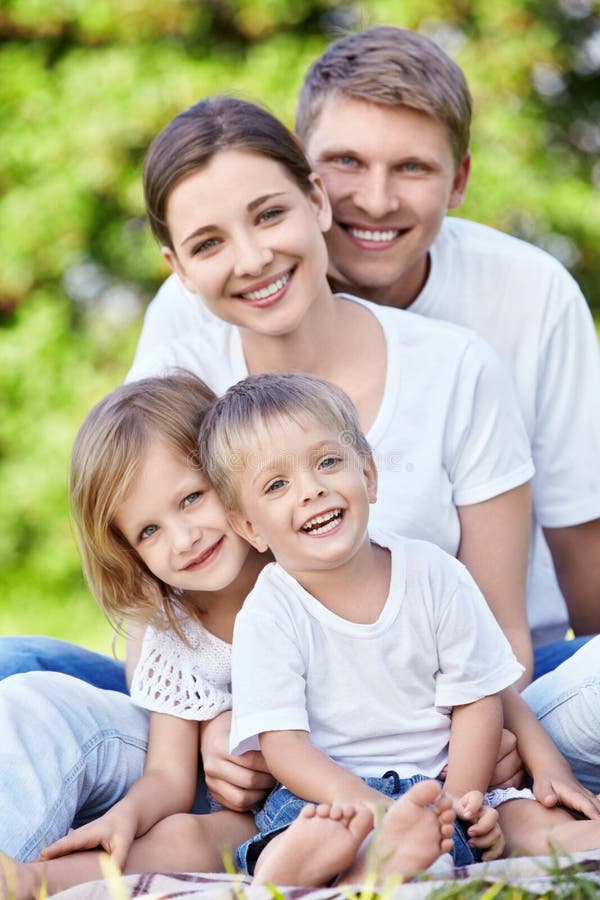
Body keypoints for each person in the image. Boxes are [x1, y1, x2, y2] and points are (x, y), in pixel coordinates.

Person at [0, 94, 596, 865]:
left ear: (317, 200)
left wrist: (482, 743)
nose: (251, 259)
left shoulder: (453, 367)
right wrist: (228, 726)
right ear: (177, 269)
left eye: (269, 215)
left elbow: (494, 630)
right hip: (256, 723)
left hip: (447, 697)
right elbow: (161, 598)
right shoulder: (183, 383)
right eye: (209, 242)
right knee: (17, 674)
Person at [0, 371, 456, 897]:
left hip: (381, 769)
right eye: (149, 531)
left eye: (192, 498)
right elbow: (169, 777)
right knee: (183, 834)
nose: (184, 538)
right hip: (267, 813)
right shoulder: (178, 634)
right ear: (130, 553)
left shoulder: (319, 564)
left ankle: (354, 856)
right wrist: (127, 814)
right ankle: (29, 880)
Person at [199, 371, 600, 879]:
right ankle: (319, 865)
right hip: (328, 796)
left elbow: (478, 700)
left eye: (327, 462)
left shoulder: (434, 574)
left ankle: (393, 860)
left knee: (534, 824)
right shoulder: (268, 613)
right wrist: (369, 806)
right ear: (249, 527)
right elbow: (284, 745)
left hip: (443, 780)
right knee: (312, 832)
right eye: (277, 485)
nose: (312, 490)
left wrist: (460, 802)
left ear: (368, 475)